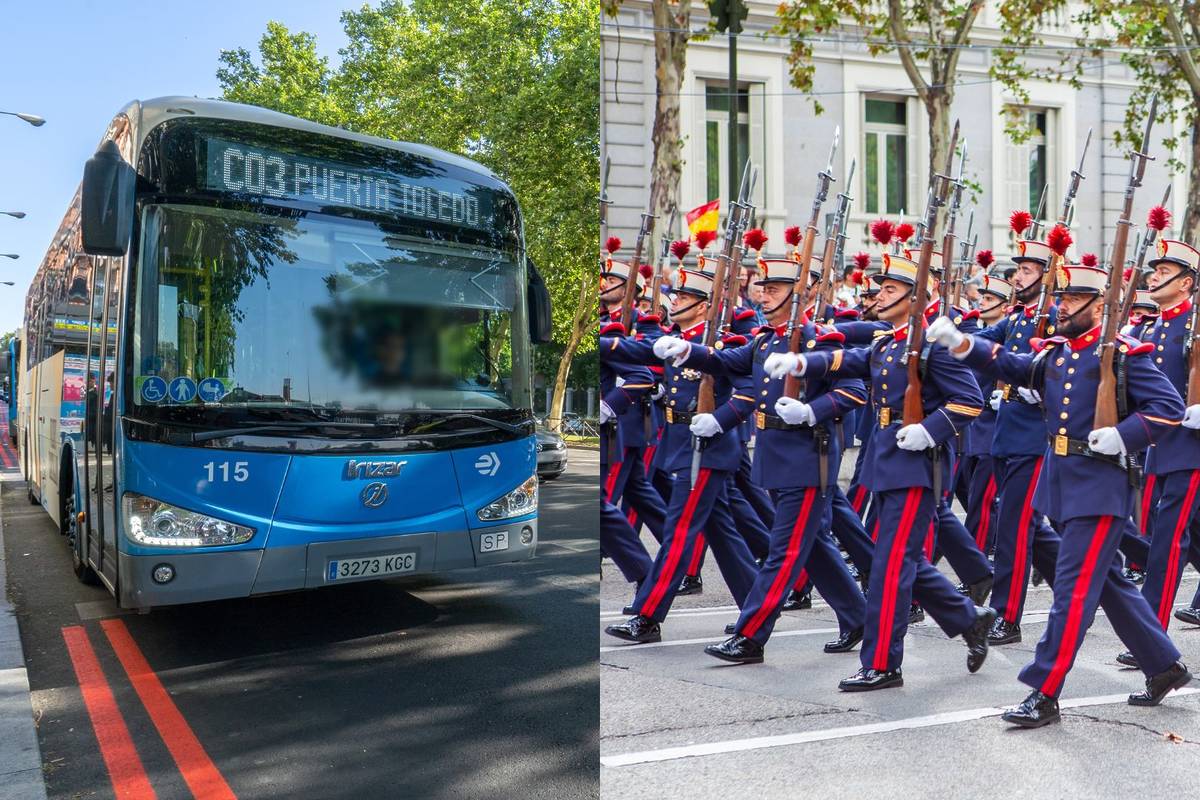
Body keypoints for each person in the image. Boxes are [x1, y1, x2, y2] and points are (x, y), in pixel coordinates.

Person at [927, 261, 1192, 727]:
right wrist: (963, 344)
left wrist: (1126, 435)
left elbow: (1168, 406)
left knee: (1071, 591)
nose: (1060, 307)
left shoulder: (1124, 354)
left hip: (1101, 491)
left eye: (1071, 301)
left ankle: (1044, 689)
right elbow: (1016, 367)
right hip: (1065, 487)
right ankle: (1163, 664)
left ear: (1097, 307)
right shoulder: (1060, 353)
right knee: (1109, 582)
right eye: (1061, 299)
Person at [765, 251, 994, 691]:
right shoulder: (889, 341)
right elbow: (845, 361)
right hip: (887, 462)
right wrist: (799, 364)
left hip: (916, 466)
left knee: (891, 566)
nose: (879, 294)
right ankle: (971, 618)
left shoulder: (932, 346)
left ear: (916, 297)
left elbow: (968, 401)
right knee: (901, 558)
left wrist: (929, 431)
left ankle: (883, 663)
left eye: (890, 289)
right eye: (881, 287)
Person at [656, 252, 869, 663]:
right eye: (763, 288)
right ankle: (858, 616)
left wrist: (812, 411)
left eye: (773, 289)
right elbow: (721, 361)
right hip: (777, 459)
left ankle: (750, 636)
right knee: (814, 548)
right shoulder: (765, 340)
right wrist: (687, 352)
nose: (763, 295)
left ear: (797, 295)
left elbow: (854, 391)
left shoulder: (817, 340)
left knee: (783, 552)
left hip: (809, 458)